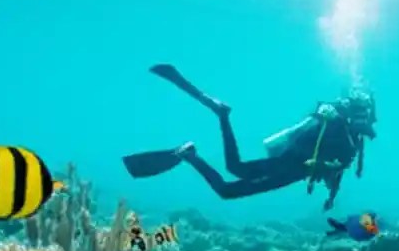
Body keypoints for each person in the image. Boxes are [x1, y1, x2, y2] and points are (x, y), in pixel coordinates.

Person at [122, 64, 376, 210]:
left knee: (234, 168)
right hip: (292, 167)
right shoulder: (348, 136)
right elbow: (335, 165)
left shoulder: (346, 132)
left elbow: (335, 167)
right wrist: (328, 184)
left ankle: (215, 123)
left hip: (289, 160)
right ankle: (196, 148)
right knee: (227, 190)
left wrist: (331, 196)